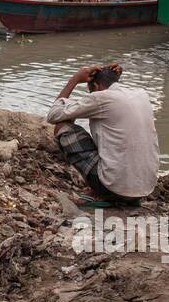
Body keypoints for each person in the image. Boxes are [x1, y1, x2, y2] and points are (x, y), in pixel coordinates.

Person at [46, 62, 159, 204]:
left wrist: (74, 79)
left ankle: (101, 192)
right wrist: (111, 76)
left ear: (96, 87)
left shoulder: (100, 97)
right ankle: (110, 189)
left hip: (114, 189)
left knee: (62, 126)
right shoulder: (142, 95)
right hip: (146, 188)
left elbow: (53, 115)